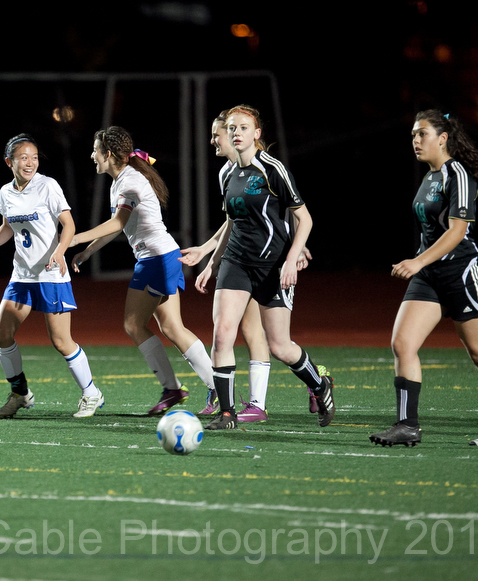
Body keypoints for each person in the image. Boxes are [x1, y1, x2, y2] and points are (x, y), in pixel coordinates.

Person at [370, 110, 478, 447]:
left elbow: (457, 232)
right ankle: (407, 425)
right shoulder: (430, 177)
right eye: (413, 135)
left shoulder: (457, 174)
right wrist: (422, 264)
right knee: (402, 344)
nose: (416, 141)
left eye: (422, 134)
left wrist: (417, 261)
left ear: (442, 138)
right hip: (430, 275)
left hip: (462, 274)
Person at [200, 105, 332, 431]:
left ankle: (320, 385)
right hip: (236, 262)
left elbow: (304, 219)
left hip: (273, 266)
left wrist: (292, 257)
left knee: (280, 346)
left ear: (257, 133)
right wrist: (212, 262)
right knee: (222, 336)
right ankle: (227, 413)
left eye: (243, 127)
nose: (236, 133)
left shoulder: (272, 169)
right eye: (231, 128)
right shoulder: (228, 174)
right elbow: (232, 221)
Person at [70, 126, 215, 416]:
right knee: (172, 327)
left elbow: (116, 224)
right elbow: (117, 225)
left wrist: (75, 238)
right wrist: (88, 251)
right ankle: (202, 388)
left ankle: (180, 387)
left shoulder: (130, 181)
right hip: (161, 256)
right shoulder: (121, 181)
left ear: (108, 154)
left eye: (95, 150)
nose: (92, 155)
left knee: (133, 325)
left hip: (157, 259)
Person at [0, 134, 105, 418]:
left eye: (34, 157)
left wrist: (61, 250)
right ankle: (20, 393)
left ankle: (91, 393)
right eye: (23, 157)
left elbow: (69, 225)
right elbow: (8, 226)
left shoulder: (47, 186)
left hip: (51, 274)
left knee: (61, 341)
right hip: (22, 274)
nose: (30, 162)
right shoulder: (5, 192)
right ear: (9, 162)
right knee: (2, 335)